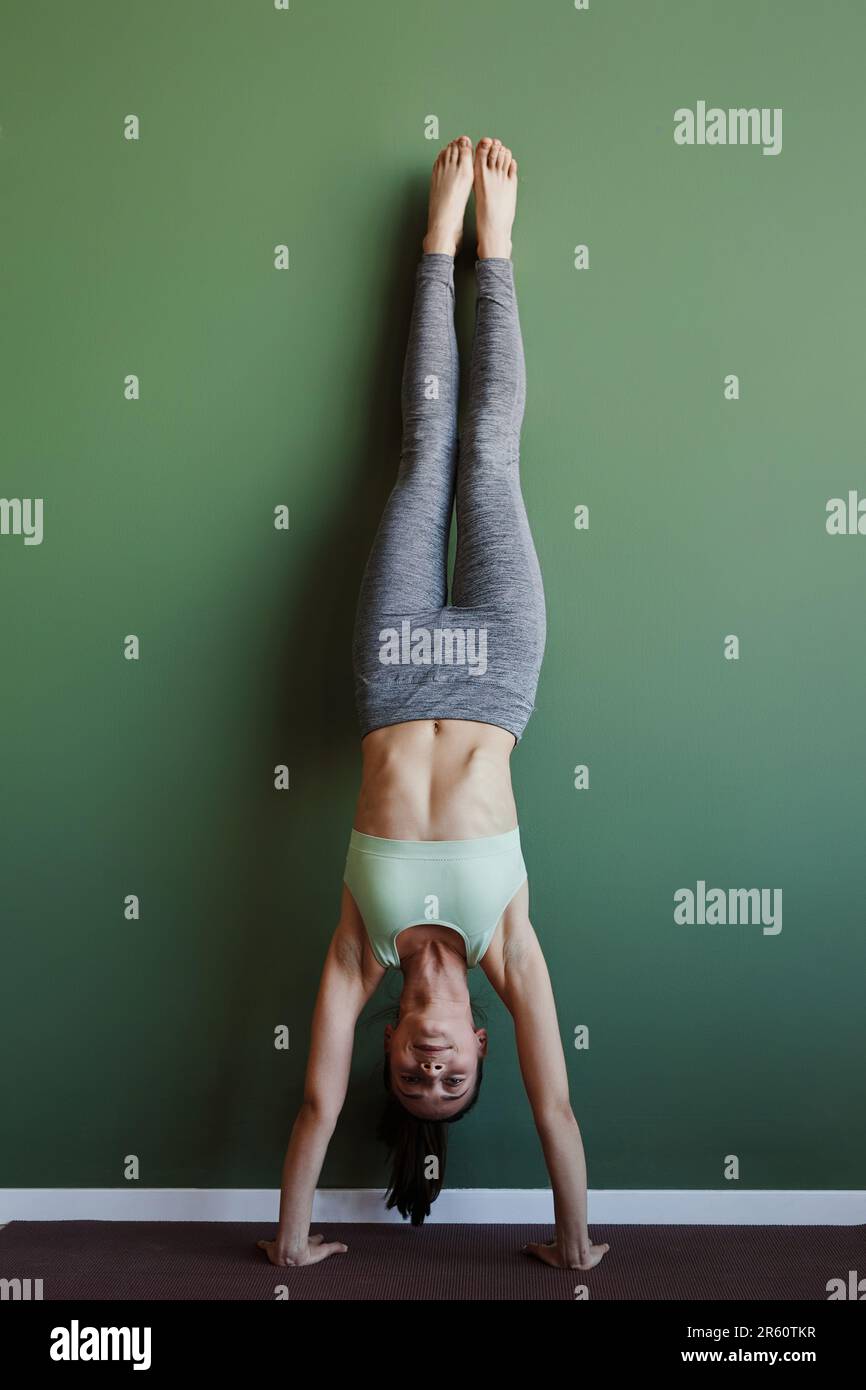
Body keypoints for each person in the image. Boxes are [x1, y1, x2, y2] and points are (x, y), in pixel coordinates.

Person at [258, 136, 609, 1272]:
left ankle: (434, 242)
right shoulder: (510, 946)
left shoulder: (359, 953)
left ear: (400, 1046)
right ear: (477, 1046)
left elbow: (315, 1106)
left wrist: (290, 1243)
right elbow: (558, 1114)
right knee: (489, 462)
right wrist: (575, 1245)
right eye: (452, 1076)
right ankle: (493, 253)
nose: (431, 1069)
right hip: (499, 673)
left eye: (416, 1077)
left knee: (422, 464)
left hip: (391, 673)